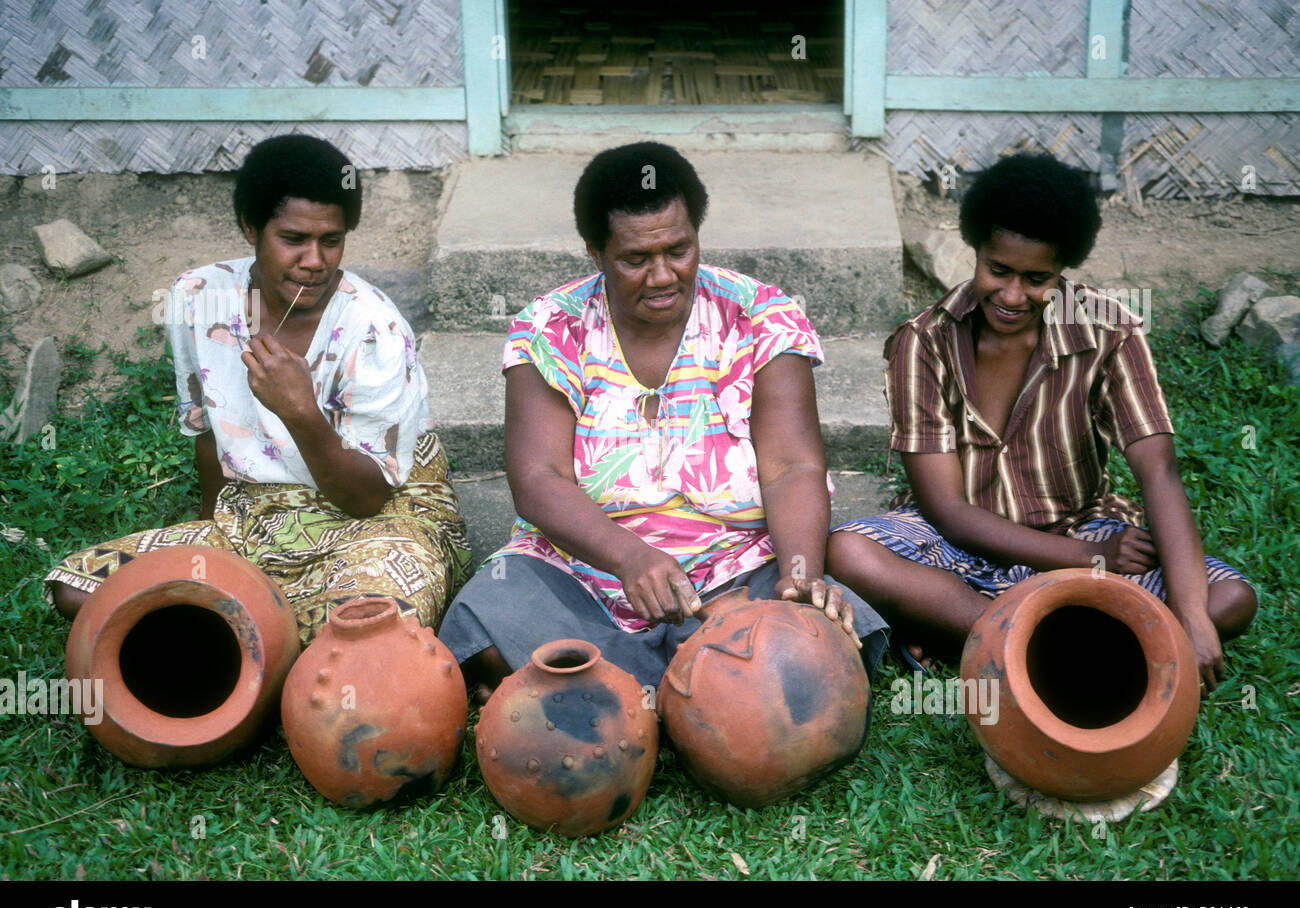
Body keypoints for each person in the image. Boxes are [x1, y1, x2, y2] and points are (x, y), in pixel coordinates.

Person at [439, 141, 889, 695]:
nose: (661, 277)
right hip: (585, 569)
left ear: (697, 234)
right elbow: (538, 480)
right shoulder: (551, 328)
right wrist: (628, 556)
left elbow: (793, 466)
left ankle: (628, 685)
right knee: (488, 624)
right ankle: (704, 679)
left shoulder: (760, 318)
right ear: (595, 251)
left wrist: (801, 578)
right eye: (635, 259)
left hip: (738, 568)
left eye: (679, 250)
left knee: (809, 636)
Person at [827, 152, 1257, 691]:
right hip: (958, 545)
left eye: (1037, 279)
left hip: (1081, 525)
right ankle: (1076, 644)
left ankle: (976, 635)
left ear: (1062, 269)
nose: (1011, 295)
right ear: (976, 250)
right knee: (846, 552)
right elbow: (949, 511)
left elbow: (1159, 474)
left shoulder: (1108, 331)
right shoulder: (924, 341)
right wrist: (1088, 559)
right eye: (998, 270)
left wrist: (1194, 615)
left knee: (1228, 599)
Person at [45, 134, 470, 643]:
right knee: (80, 589)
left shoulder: (374, 326)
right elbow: (206, 430)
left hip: (379, 520)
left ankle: (246, 636)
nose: (315, 260)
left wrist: (302, 412)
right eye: (293, 238)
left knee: (379, 619)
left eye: (331, 241)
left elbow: (367, 497)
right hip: (254, 517)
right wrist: (213, 545)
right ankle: (270, 631)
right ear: (251, 228)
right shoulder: (200, 297)